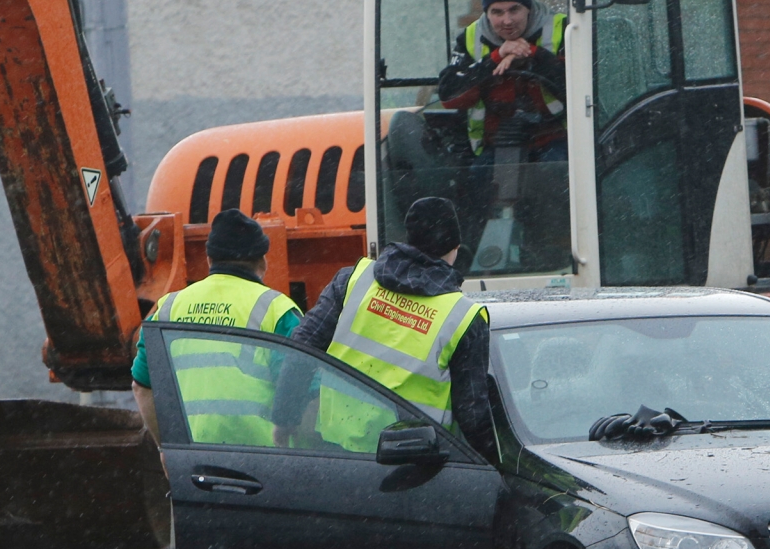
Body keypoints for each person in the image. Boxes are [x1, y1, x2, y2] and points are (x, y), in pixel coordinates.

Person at [289, 196, 496, 460]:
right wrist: (492, 461)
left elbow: (300, 349)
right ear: (455, 248)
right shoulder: (464, 317)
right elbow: (473, 413)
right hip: (415, 461)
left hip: (340, 452)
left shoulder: (353, 280)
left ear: (408, 239)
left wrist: (286, 418)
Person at [131, 208, 300, 446]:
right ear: (263, 261)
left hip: (195, 462)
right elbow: (301, 389)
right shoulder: (277, 310)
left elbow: (142, 388)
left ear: (209, 259)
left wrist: (167, 448)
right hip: (265, 463)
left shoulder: (168, 309)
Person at [436, 0, 569, 161]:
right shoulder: (469, 38)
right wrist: (496, 57)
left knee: (558, 171)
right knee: (477, 179)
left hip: (554, 139)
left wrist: (533, 53)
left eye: (514, 10)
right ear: (487, 14)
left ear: (528, 9)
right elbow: (449, 96)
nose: (507, 21)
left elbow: (579, 86)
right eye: (497, 12)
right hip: (495, 143)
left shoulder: (564, 28)